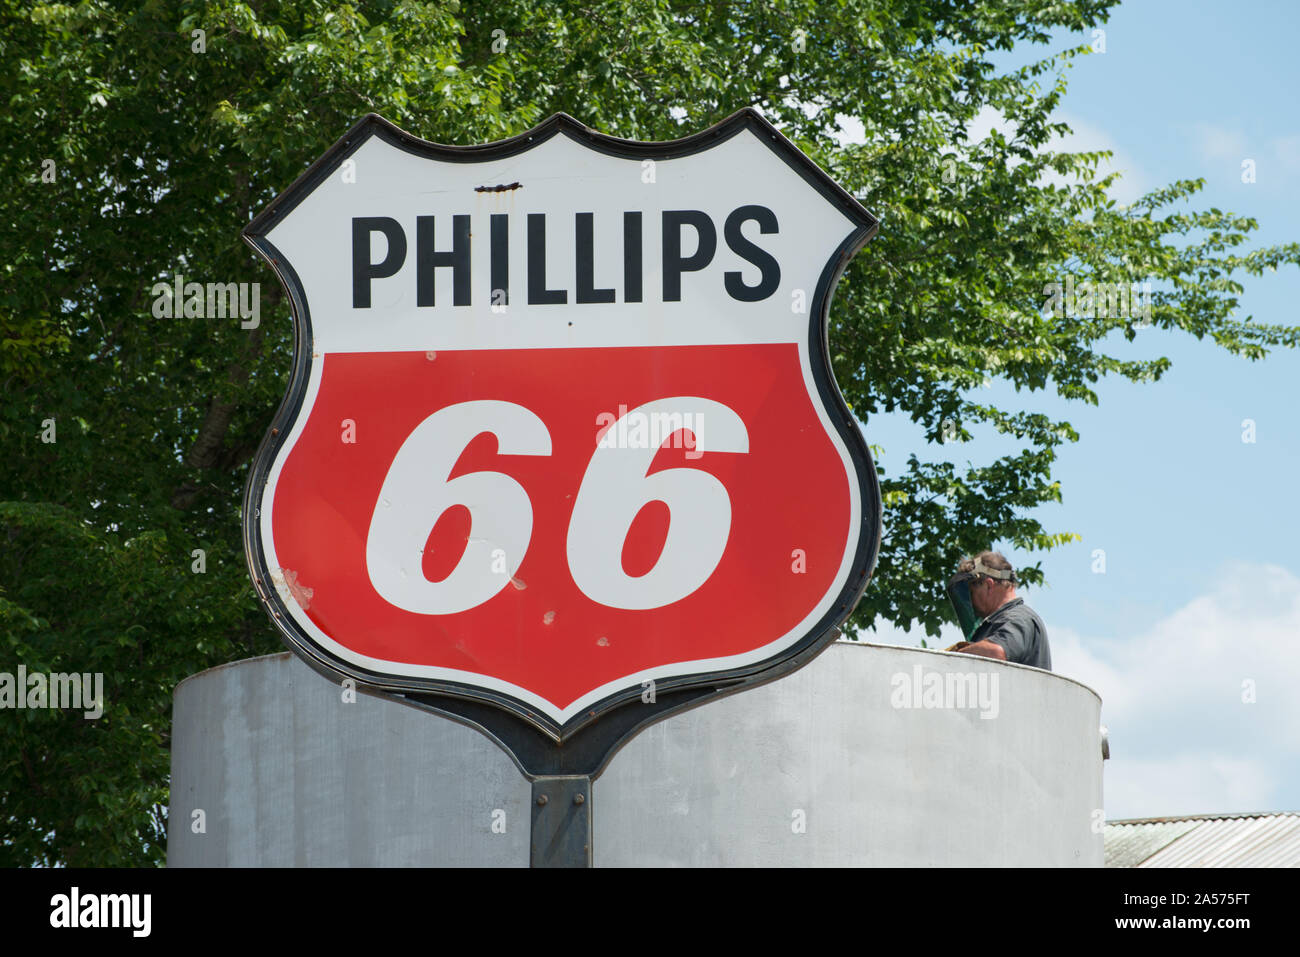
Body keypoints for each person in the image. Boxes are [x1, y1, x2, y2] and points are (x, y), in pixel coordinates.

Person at [946, 551, 1051, 671]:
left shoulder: (1019, 617)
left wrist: (952, 656)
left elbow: (997, 651)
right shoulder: (997, 622)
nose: (971, 601)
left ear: (988, 585)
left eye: (972, 592)